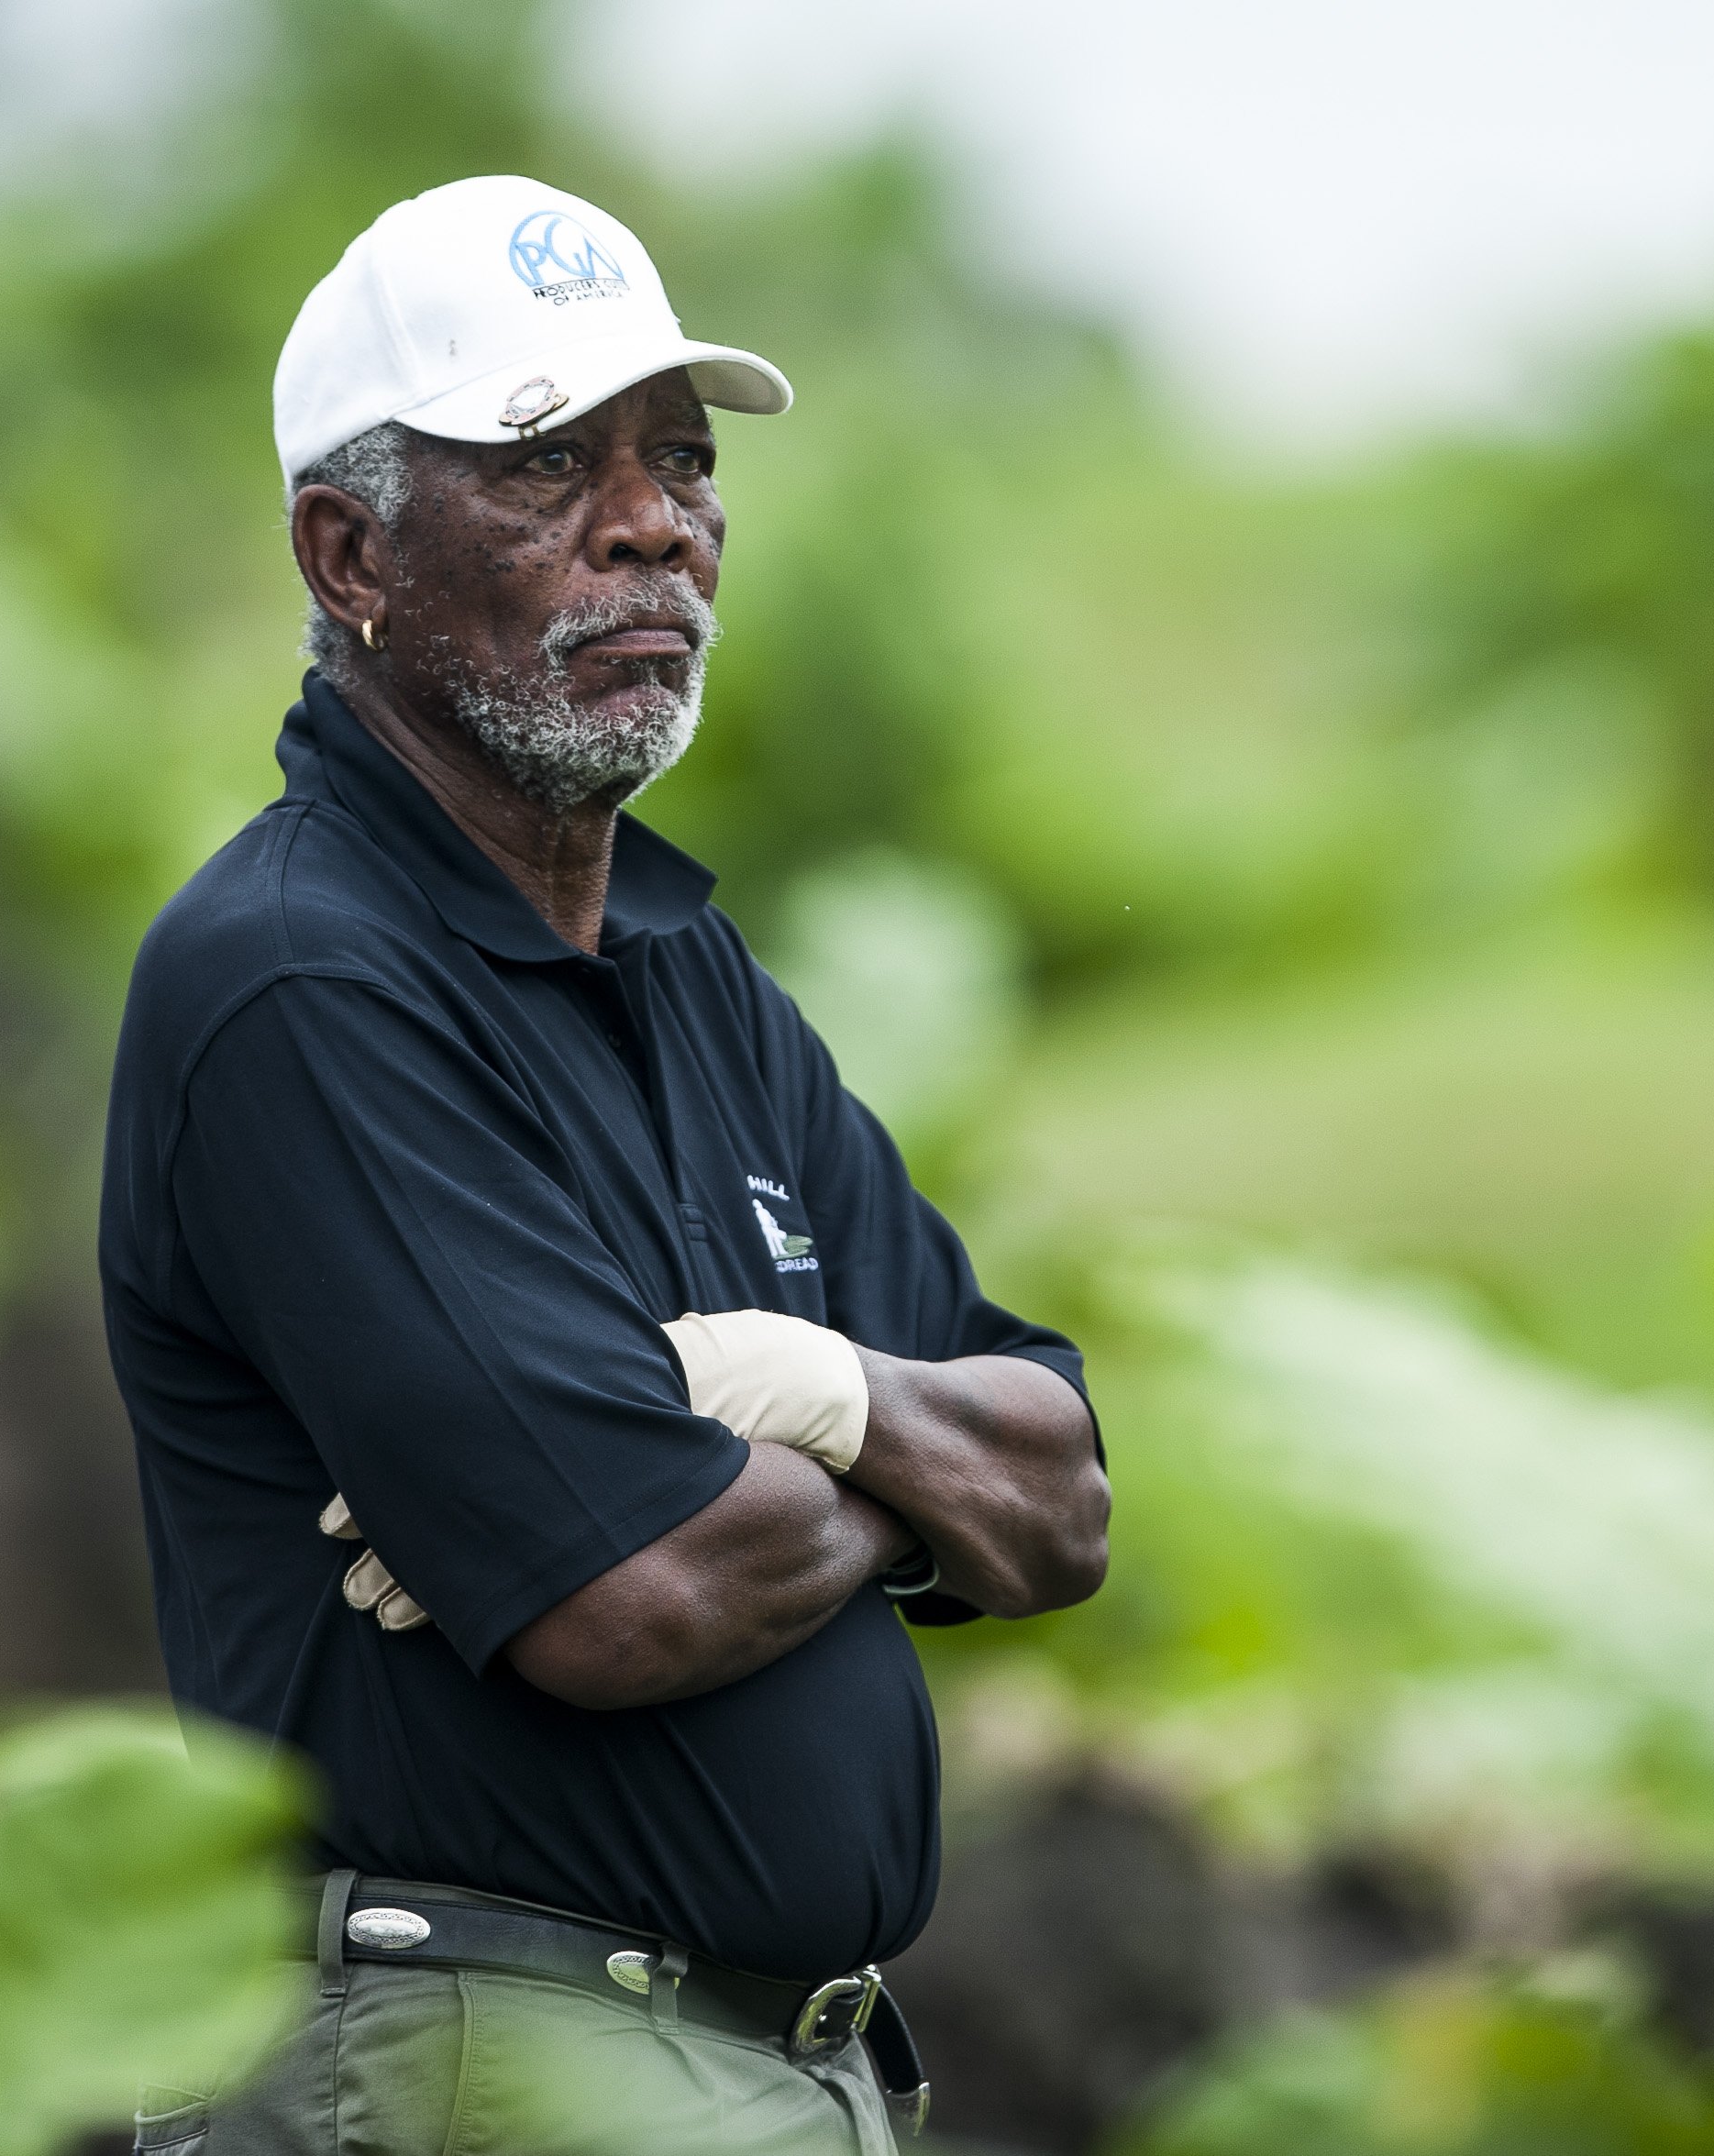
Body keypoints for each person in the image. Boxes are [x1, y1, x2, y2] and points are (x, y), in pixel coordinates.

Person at [97, 175, 1109, 2155]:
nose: (653, 522)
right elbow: (632, 1594)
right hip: (481, 2067)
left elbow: (1062, 1493)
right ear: (350, 551)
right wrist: (894, 1468)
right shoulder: (298, 982)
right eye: (548, 461)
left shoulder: (690, 972)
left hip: (785, 2069)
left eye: (681, 460)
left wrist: (809, 1400)